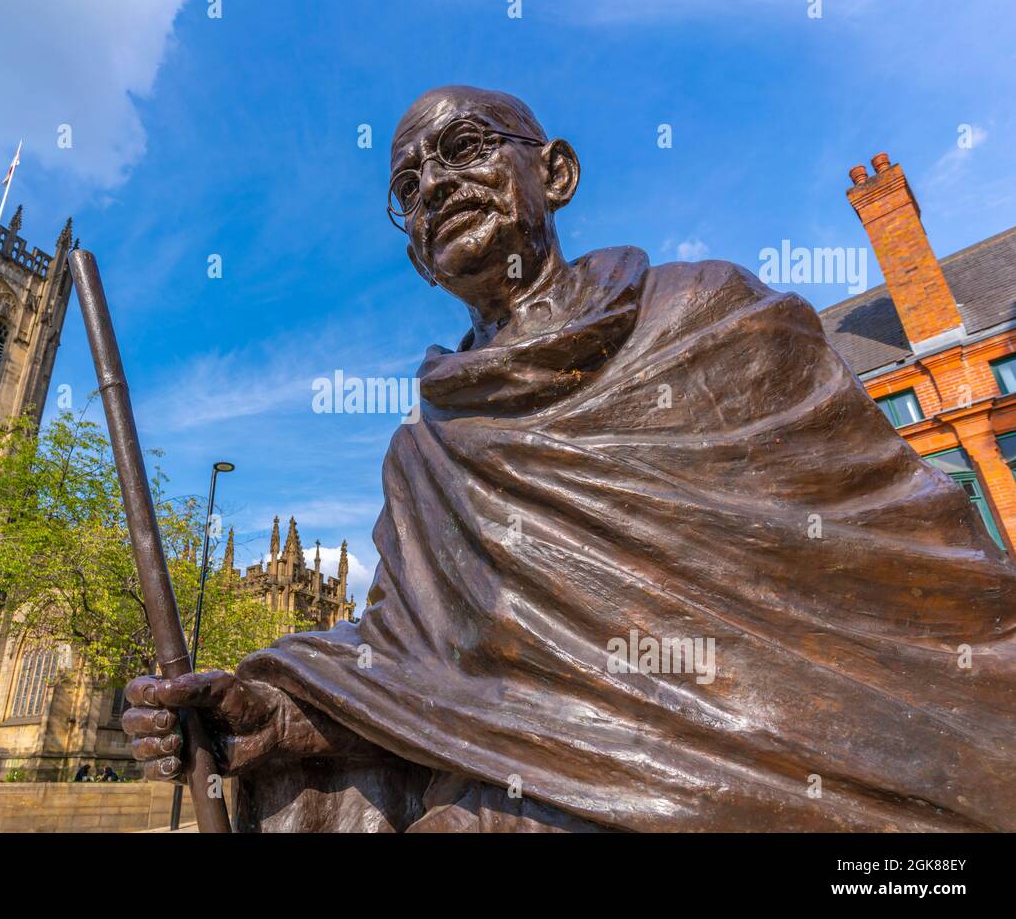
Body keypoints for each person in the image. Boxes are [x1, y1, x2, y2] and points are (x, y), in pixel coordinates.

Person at [124, 85, 1016, 832]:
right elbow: (404, 661)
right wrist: (269, 713)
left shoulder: (710, 316)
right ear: (415, 254)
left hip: (732, 763)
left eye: (463, 148)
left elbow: (907, 563)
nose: (434, 183)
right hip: (506, 779)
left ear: (555, 173)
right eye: (408, 184)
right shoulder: (422, 452)